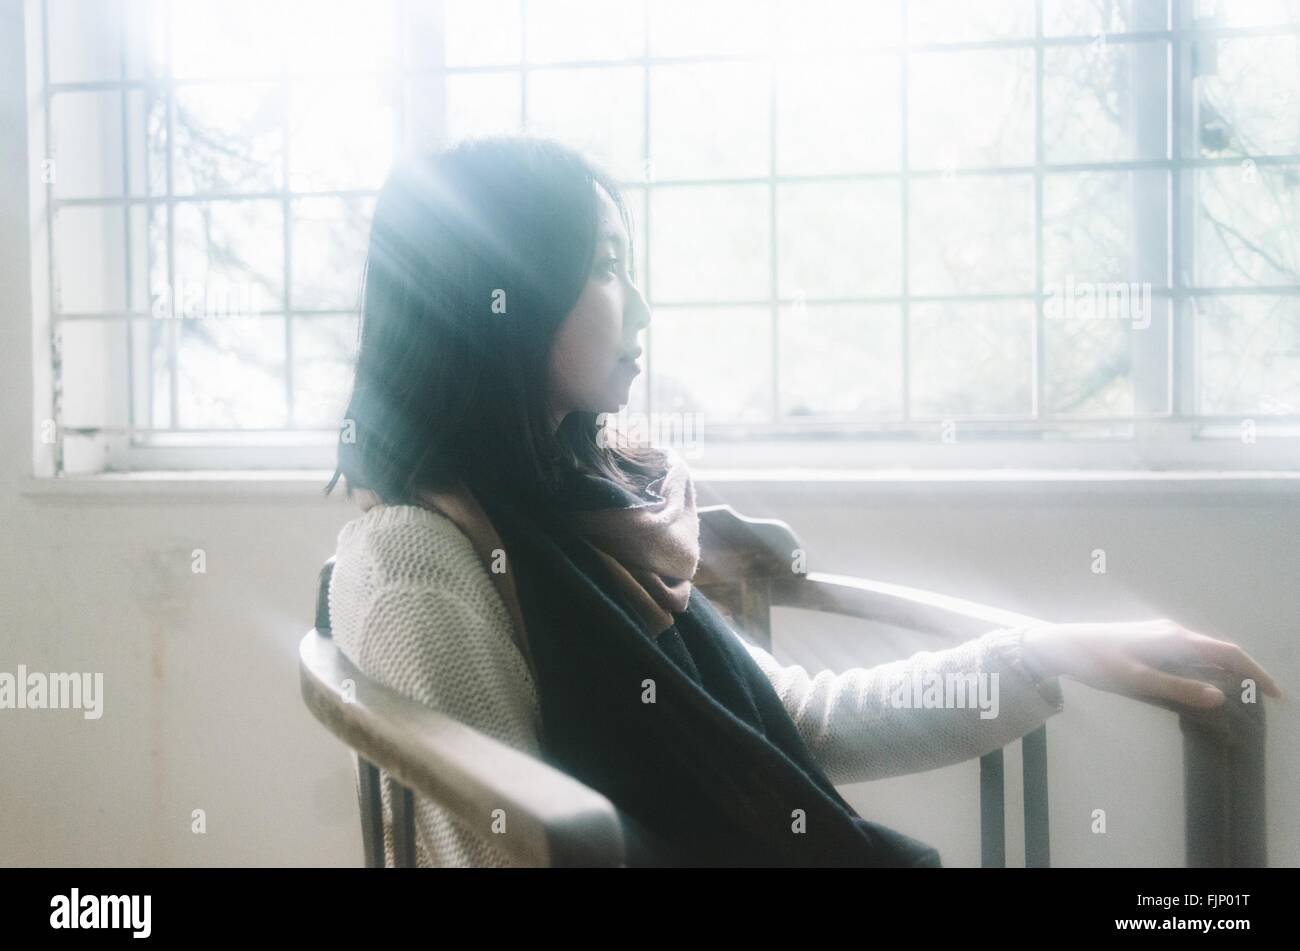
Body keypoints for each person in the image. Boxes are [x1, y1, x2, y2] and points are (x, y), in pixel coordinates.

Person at [324, 135, 1281, 867]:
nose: (643, 309)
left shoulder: (584, 510)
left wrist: (1050, 650)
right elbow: (508, 851)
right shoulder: (421, 556)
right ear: (503, 294)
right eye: (606, 267)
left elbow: (804, 722)